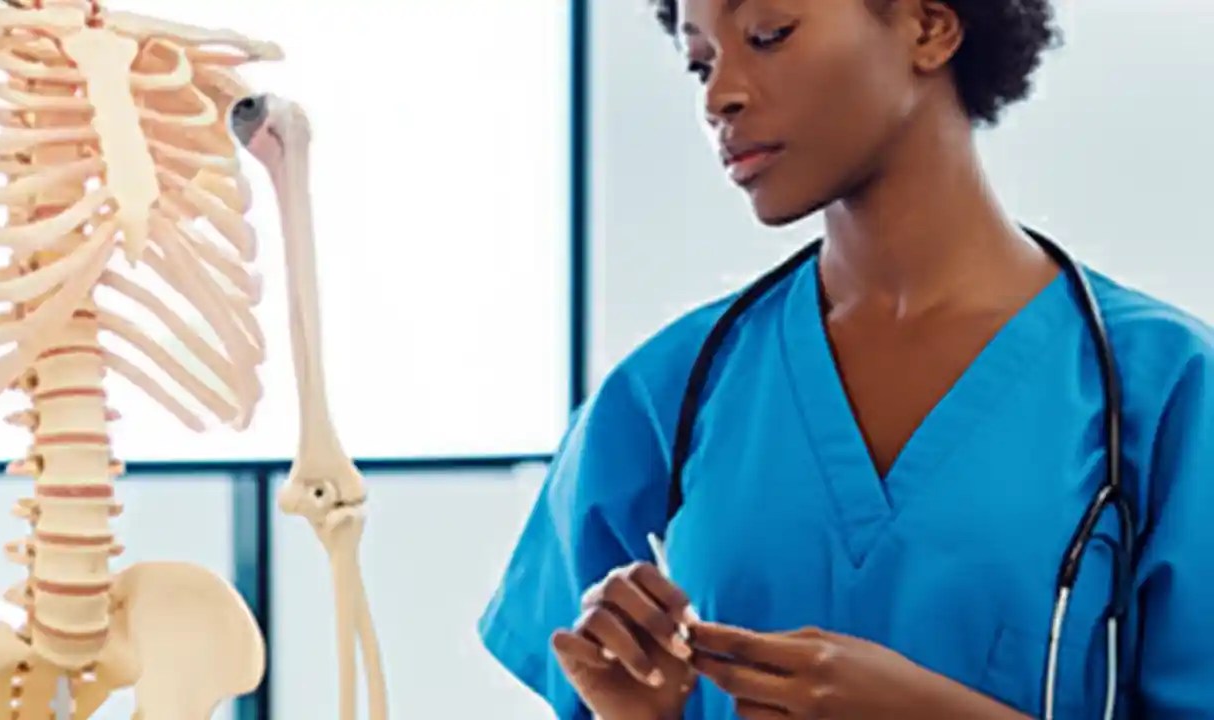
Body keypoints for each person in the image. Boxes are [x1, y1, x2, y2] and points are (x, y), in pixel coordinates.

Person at [478, 0, 1214, 717]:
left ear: (929, 26)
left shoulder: (1167, 389)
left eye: (768, 35)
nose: (720, 95)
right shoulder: (664, 393)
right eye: (699, 62)